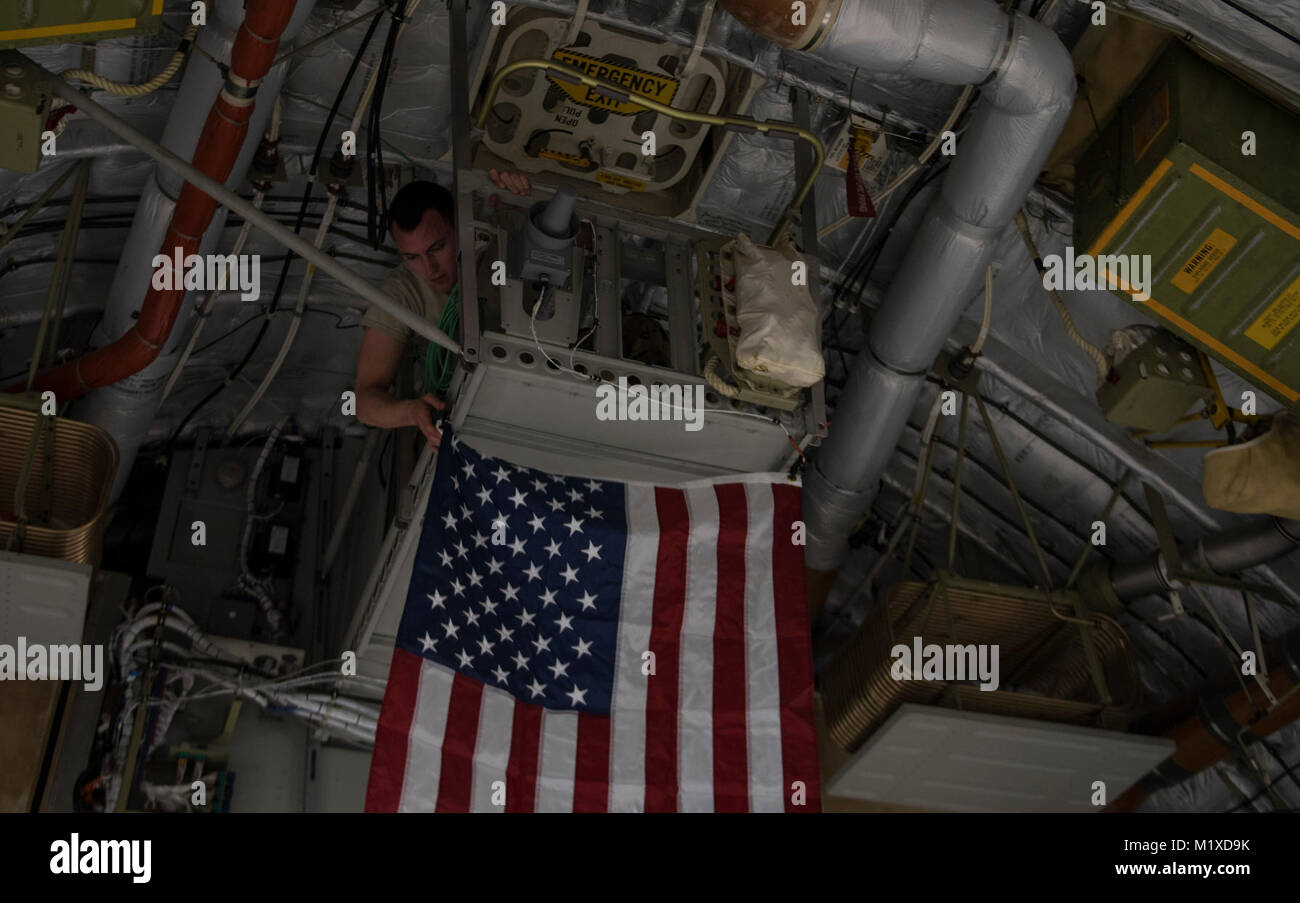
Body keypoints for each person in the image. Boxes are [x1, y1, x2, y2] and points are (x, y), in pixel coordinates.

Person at [354, 169, 530, 449]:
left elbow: (577, 236)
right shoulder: (401, 294)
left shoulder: (499, 237)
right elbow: (364, 402)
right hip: (470, 417)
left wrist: (520, 189)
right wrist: (411, 411)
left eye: (437, 248)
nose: (429, 268)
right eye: (412, 257)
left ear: (460, 227)